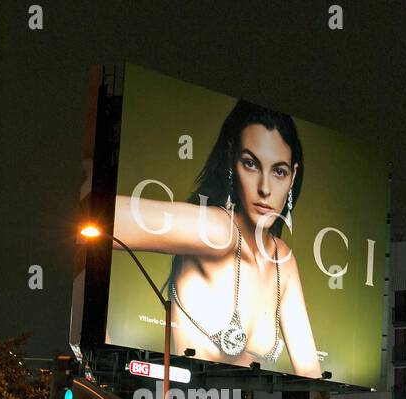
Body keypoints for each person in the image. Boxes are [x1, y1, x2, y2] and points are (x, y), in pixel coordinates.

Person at [113, 100, 321, 378]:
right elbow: (103, 217)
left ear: (293, 176)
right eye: (251, 164)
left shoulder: (283, 259)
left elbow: (311, 373)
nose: (265, 188)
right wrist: (102, 343)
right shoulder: (217, 229)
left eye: (279, 171)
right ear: (232, 162)